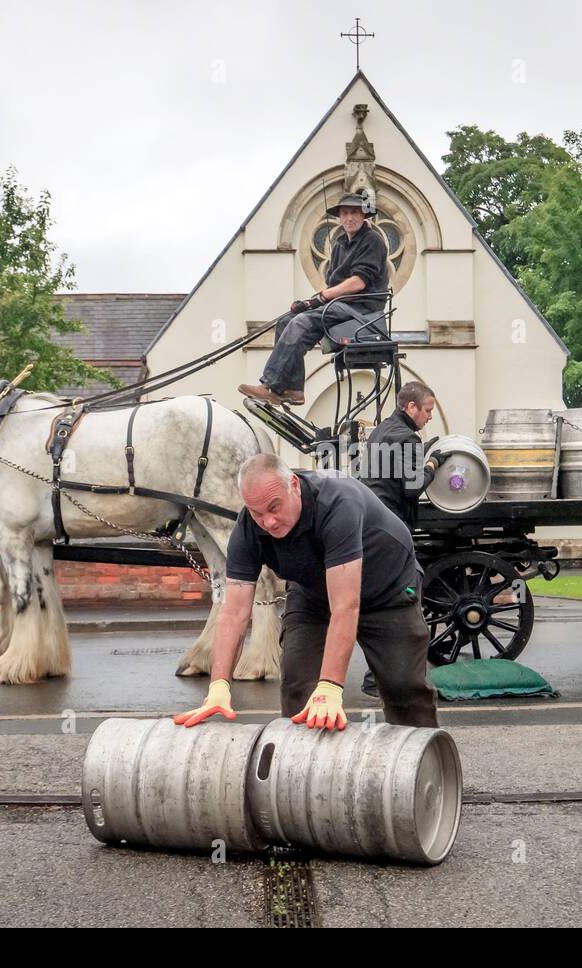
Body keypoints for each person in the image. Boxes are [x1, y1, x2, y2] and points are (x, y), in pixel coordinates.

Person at [173, 453, 438, 731]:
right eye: (257, 512)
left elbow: (345, 606)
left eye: (274, 507)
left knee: (404, 690)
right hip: (312, 592)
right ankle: (305, 770)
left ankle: (426, 764)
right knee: (299, 689)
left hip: (388, 590)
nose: (269, 522)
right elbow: (234, 610)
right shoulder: (248, 527)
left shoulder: (337, 504)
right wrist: (218, 685)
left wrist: (331, 688)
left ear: (295, 486)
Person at [238, 193, 389, 407]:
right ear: (339, 217)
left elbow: (358, 283)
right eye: (345, 213)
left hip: (362, 309)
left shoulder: (371, 240)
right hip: (340, 306)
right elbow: (331, 286)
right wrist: (311, 302)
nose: (349, 218)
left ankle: (270, 385)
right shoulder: (339, 244)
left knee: (300, 323)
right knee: (287, 321)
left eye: (354, 212)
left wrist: (322, 297)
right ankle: (293, 389)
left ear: (364, 214)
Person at [356, 380, 453, 697]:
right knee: (402, 595)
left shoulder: (383, 430)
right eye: (426, 410)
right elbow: (412, 486)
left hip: (370, 520)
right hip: (391, 528)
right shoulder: (407, 437)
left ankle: (380, 673)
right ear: (410, 407)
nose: (428, 417)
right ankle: (379, 677)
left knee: (380, 596)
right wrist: (432, 464)